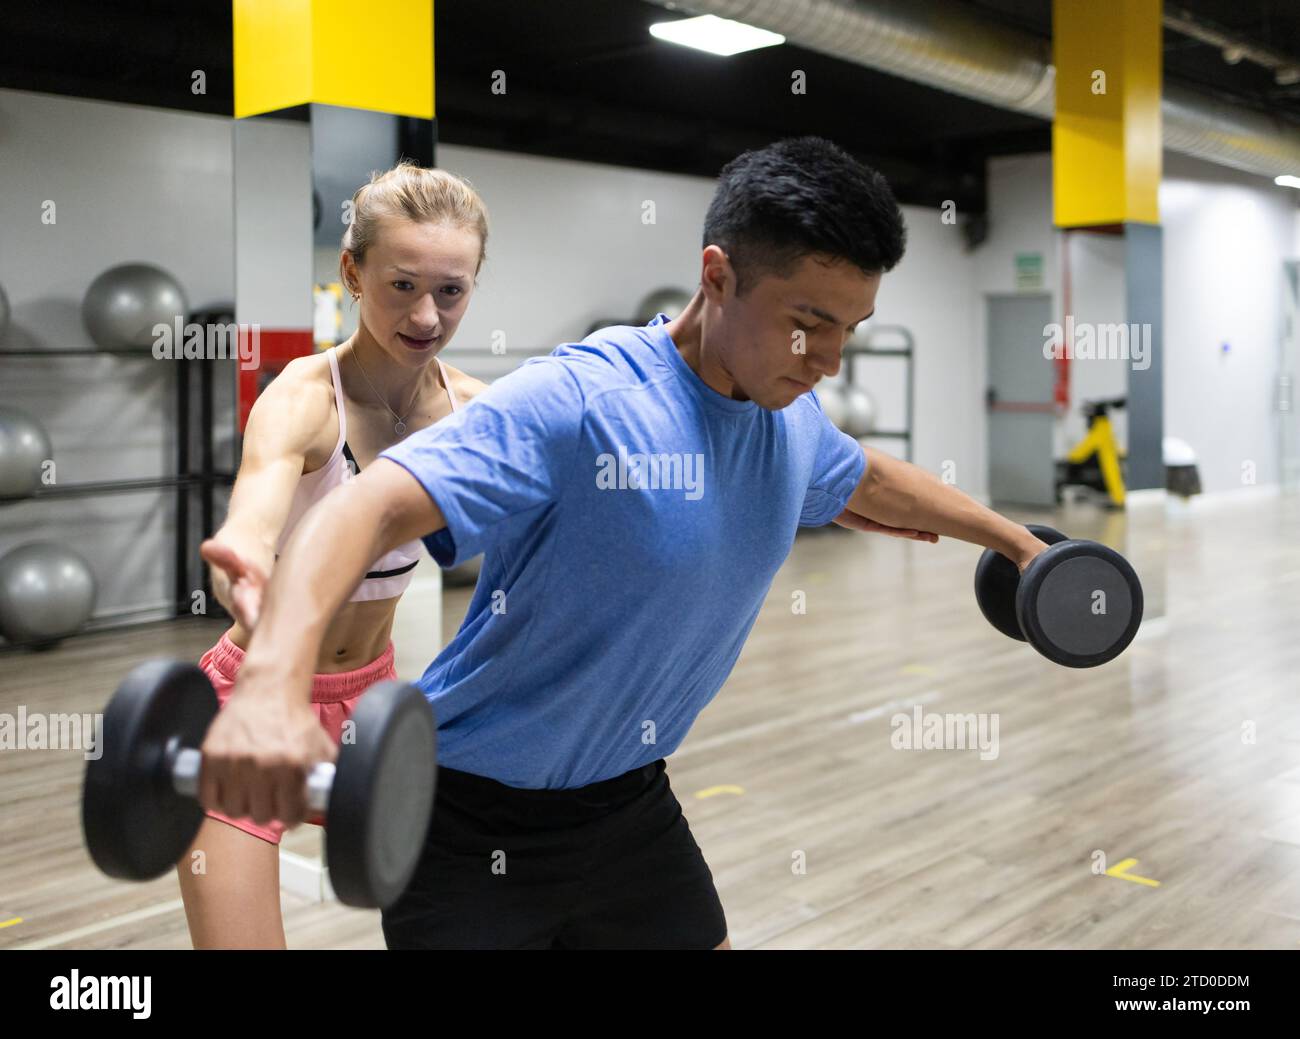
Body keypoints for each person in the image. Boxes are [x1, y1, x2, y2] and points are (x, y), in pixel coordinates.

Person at [197, 136, 1049, 950]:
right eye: (807, 323)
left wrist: (1023, 549)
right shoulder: (576, 399)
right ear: (717, 275)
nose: (827, 358)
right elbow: (365, 509)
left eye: (849, 330)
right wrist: (272, 678)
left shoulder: (790, 420)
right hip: (467, 816)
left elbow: (865, 477)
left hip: (629, 806)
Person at [177, 161, 490, 948]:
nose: (426, 314)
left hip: (379, 709)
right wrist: (240, 565)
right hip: (252, 699)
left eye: (450, 291)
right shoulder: (303, 398)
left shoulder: (475, 412)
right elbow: (250, 521)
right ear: (353, 271)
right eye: (402, 285)